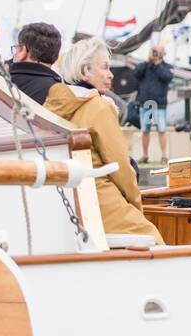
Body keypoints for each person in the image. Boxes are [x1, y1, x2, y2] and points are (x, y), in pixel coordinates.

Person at [45, 37, 164, 245]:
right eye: (105, 68)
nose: (110, 75)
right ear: (85, 72)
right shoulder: (100, 107)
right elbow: (120, 167)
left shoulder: (51, 106)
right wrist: (136, 205)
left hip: (68, 203)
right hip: (100, 200)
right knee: (153, 238)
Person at [134, 44, 174, 166]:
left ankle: (164, 156)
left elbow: (168, 77)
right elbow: (136, 74)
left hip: (159, 104)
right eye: (154, 51)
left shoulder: (167, 67)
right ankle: (145, 155)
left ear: (163, 53)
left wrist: (157, 65)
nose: (155, 54)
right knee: (145, 130)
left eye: (158, 52)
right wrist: (148, 61)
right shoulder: (145, 66)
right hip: (145, 103)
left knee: (161, 130)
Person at [7, 22, 62, 105]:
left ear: (23, 51)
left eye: (16, 48)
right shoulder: (58, 92)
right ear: (56, 57)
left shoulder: (4, 77)